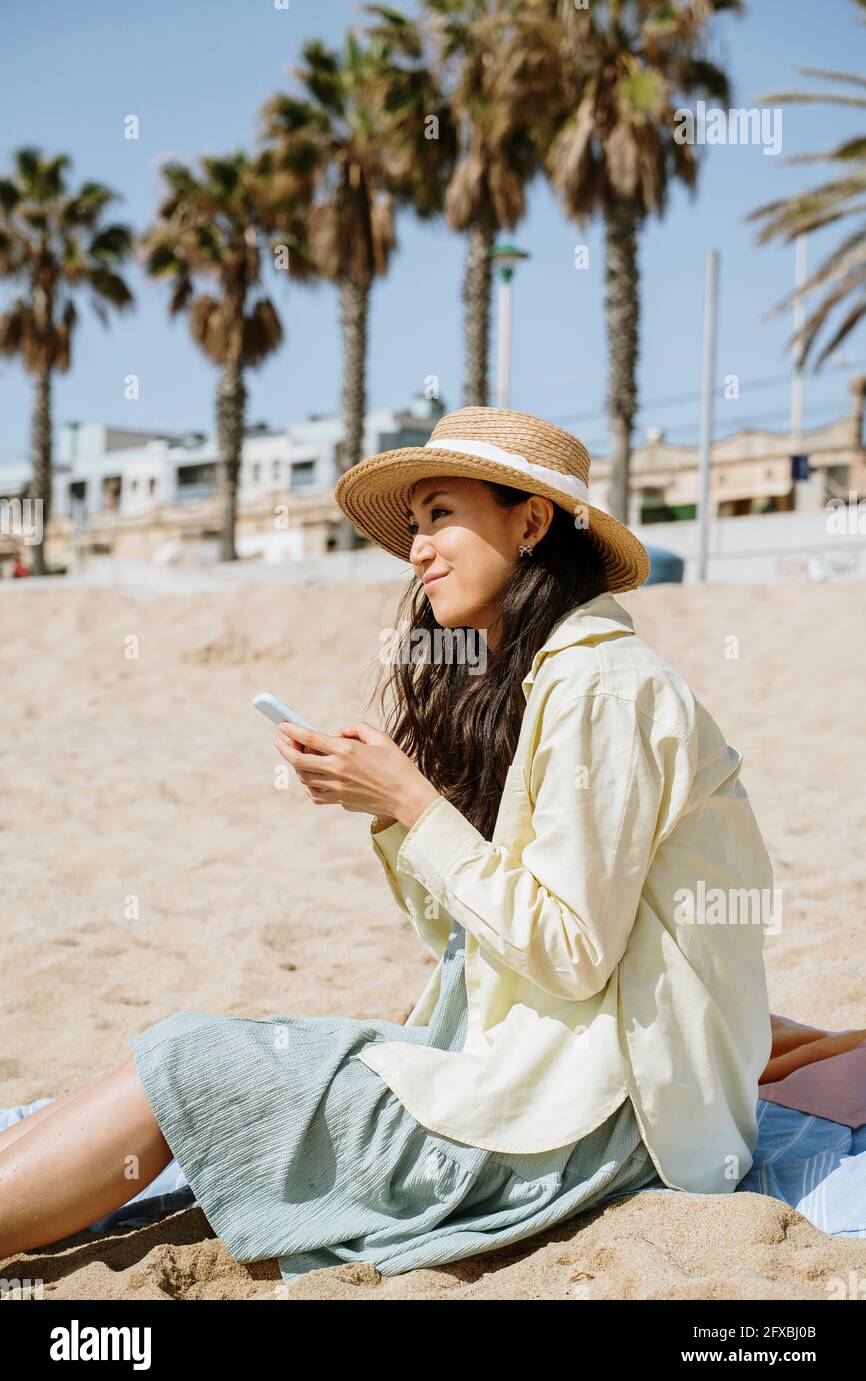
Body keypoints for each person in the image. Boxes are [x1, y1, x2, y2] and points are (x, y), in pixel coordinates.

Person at [0, 406, 773, 1282]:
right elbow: (466, 939)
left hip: (593, 1121)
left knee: (187, 1065)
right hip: (543, 1067)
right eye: (415, 525)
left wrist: (413, 800)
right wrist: (391, 810)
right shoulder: (548, 676)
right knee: (180, 1061)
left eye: (441, 514)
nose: (418, 550)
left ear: (529, 522)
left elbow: (568, 954)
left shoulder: (603, 688)